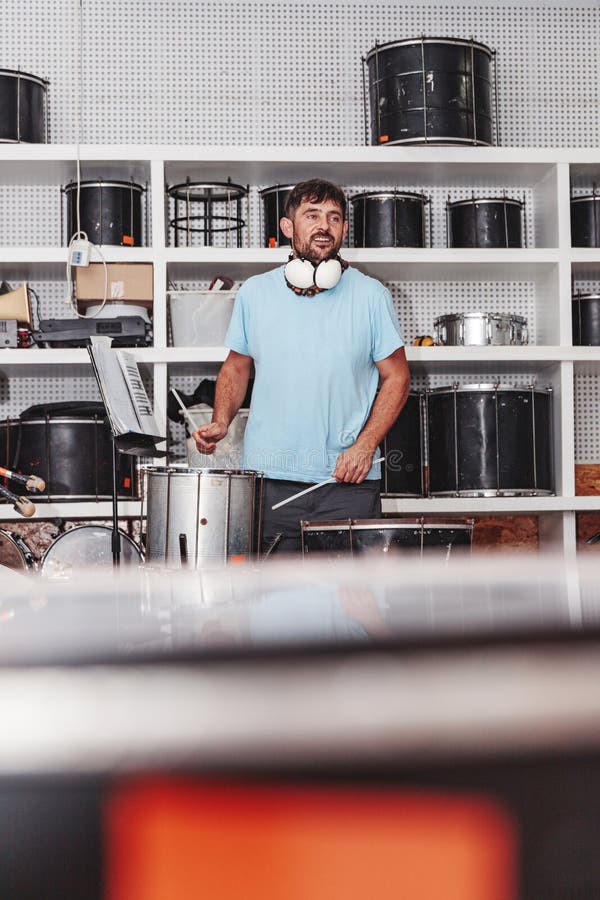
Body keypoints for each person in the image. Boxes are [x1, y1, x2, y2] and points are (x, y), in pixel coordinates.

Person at [193, 178, 410, 553]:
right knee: (275, 605)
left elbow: (398, 378)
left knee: (348, 607)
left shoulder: (372, 296)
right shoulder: (254, 293)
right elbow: (236, 367)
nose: (324, 225)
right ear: (287, 227)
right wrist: (221, 420)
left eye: (334, 217)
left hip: (348, 484)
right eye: (312, 215)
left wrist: (365, 446)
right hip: (269, 482)